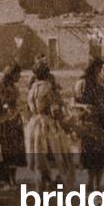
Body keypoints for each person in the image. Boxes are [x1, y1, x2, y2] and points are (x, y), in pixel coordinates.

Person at [25, 61, 75, 192]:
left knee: (40, 164)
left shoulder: (32, 90)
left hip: (34, 126)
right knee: (63, 160)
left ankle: (40, 195)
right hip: (47, 126)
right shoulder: (48, 89)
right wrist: (65, 124)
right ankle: (55, 192)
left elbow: (28, 110)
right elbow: (55, 111)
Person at [73, 57, 104, 193]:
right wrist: (84, 106)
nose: (100, 70)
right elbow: (73, 103)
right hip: (88, 121)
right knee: (90, 154)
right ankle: (90, 182)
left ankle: (98, 185)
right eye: (98, 67)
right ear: (92, 68)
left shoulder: (100, 82)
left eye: (101, 68)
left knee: (101, 154)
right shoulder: (81, 82)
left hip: (101, 120)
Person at [0, 64, 26, 186]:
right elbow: (0, 102)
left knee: (15, 150)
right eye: (17, 74)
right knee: (7, 150)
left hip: (15, 120)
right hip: (6, 121)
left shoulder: (14, 87)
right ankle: (8, 178)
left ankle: (12, 178)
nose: (19, 77)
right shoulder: (1, 87)